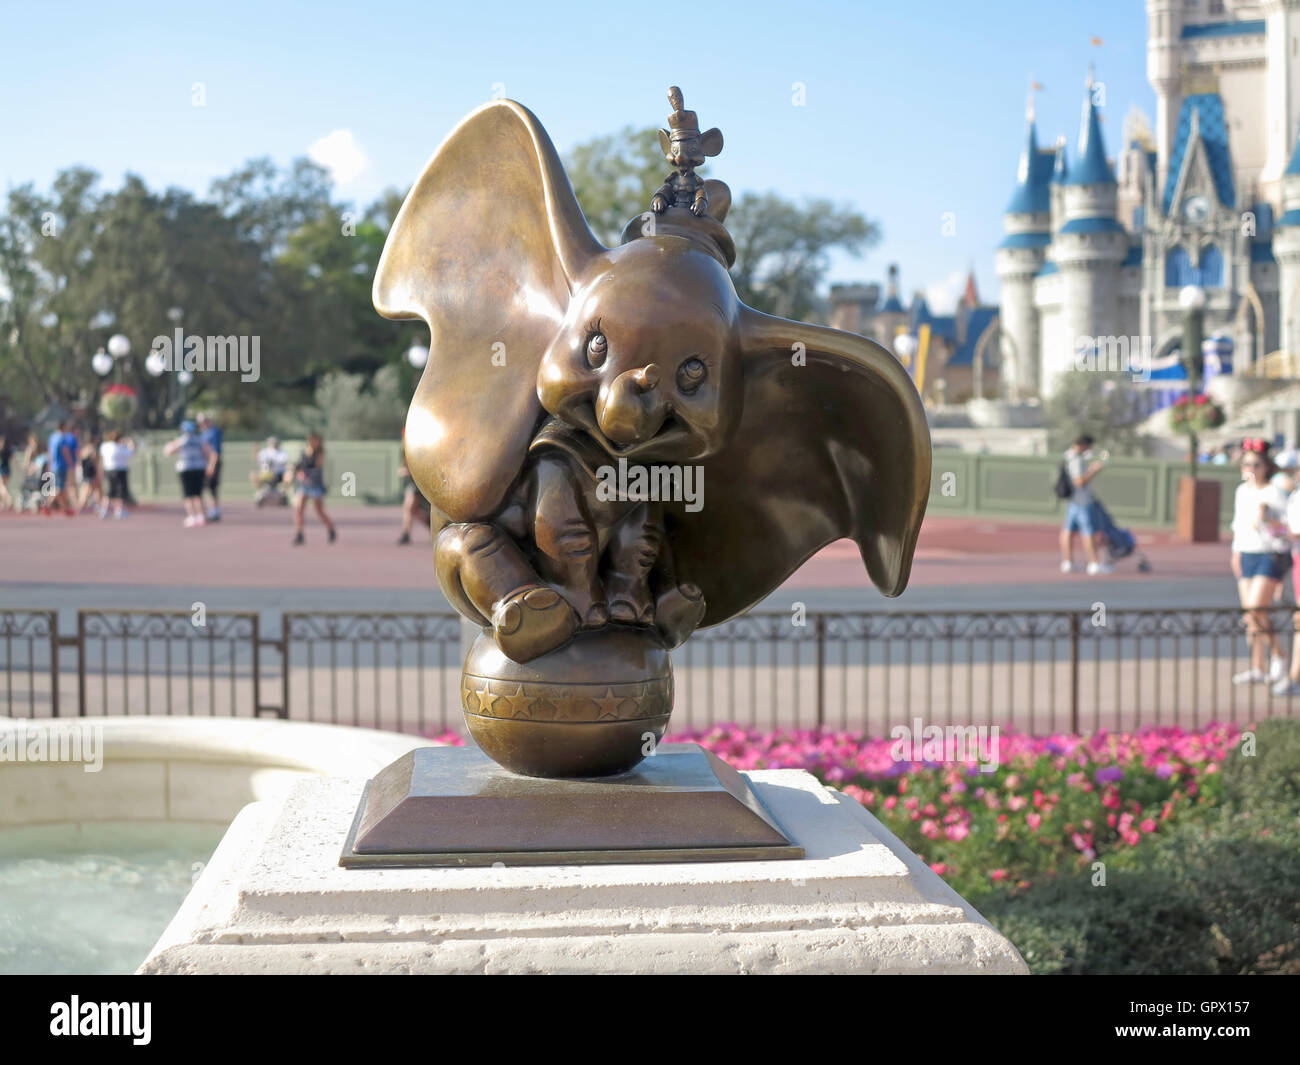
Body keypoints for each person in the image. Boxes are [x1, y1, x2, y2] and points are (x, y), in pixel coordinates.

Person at [1230, 438, 1290, 686]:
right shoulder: (1241, 492)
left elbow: (1288, 526)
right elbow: (1238, 526)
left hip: (1269, 553)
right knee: (1251, 617)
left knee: (1256, 609)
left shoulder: (1274, 493)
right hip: (1246, 553)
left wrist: (1268, 519)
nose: (1250, 470)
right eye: (1246, 465)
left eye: (1256, 465)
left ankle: (1278, 655)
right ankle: (1258, 667)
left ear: (1266, 467)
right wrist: (1235, 553)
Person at [1059, 434, 1111, 575]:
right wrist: (1093, 471)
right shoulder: (1075, 459)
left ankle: (1068, 562)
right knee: (1088, 532)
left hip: (1074, 501)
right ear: (1083, 445)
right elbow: (1079, 481)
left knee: (1068, 531)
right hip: (1081, 501)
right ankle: (1094, 564)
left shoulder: (1068, 455)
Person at [163, 419, 218, 527]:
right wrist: (210, 466)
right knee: (198, 494)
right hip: (199, 468)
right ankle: (201, 516)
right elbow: (211, 453)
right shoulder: (200, 440)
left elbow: (168, 452)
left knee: (188, 495)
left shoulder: (181, 441)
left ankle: (192, 516)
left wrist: (173, 445)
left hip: (186, 468)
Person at [290, 433, 336, 545]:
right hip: (304, 485)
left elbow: (317, 470)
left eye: (317, 441)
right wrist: (292, 471)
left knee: (319, 510)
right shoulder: (304, 452)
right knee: (299, 509)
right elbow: (298, 465)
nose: (315, 443)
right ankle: (299, 534)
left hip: (315, 485)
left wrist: (304, 475)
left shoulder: (319, 454)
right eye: (313, 440)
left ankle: (331, 529)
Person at [397, 437, 430, 545]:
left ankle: (406, 533)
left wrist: (408, 471)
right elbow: (403, 467)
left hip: (420, 481)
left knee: (410, 508)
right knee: (412, 509)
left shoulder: (420, 448)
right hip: (412, 482)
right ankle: (407, 532)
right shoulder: (405, 451)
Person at [98, 430, 135, 519]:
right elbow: (131, 453)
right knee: (120, 491)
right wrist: (130, 443)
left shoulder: (105, 446)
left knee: (109, 491)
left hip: (108, 470)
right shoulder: (120, 447)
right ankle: (119, 510)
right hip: (120, 471)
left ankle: (104, 510)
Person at [197, 411, 224, 522]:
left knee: (211, 487)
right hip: (204, 462)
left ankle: (214, 510)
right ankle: (211, 510)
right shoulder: (205, 432)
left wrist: (211, 465)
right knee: (206, 488)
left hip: (211, 462)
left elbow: (215, 452)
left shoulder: (213, 432)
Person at [46, 421, 77, 515]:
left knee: (61, 488)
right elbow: (65, 451)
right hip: (61, 466)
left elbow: (50, 452)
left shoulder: (52, 437)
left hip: (54, 466)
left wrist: (49, 464)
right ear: (63, 427)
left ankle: (65, 508)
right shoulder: (62, 438)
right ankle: (47, 504)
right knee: (60, 488)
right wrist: (70, 463)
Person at [252, 436, 289, 506]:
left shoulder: (282, 452)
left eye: (274, 442)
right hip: (266, 474)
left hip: (279, 475)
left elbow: (282, 462)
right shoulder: (264, 452)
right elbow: (257, 459)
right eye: (271, 442)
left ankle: (283, 494)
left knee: (288, 475)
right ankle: (260, 493)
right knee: (254, 475)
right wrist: (255, 450)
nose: (273, 444)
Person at [77, 432, 102, 513]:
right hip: (91, 472)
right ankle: (82, 506)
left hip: (85, 472)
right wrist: (99, 473)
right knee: (90, 489)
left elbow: (80, 461)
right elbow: (96, 462)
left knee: (93, 489)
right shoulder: (93, 449)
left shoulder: (84, 449)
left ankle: (97, 505)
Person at [0, 435, 13, 510]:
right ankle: (4, 504)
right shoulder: (9, 451)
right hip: (8, 469)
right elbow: (12, 459)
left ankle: (8, 499)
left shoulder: (1, 450)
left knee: (2, 487)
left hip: (2, 470)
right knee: (4, 486)